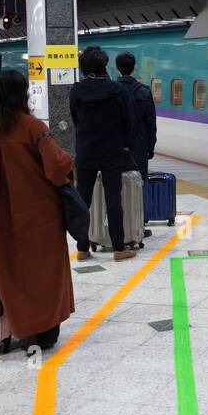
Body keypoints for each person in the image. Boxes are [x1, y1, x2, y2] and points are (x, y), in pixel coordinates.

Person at [0, 70, 76, 350]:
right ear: (22, 93)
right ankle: (47, 332)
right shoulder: (33, 127)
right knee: (45, 271)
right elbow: (56, 167)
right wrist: (69, 162)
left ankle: (22, 327)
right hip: (40, 214)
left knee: (12, 270)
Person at [69, 46, 137, 261]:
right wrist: (123, 143)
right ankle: (118, 248)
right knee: (113, 200)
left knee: (83, 200)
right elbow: (129, 122)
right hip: (112, 153)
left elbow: (75, 119)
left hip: (86, 152)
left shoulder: (77, 90)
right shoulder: (118, 91)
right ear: (104, 66)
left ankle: (82, 248)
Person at [114, 51, 157, 179]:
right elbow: (151, 124)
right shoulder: (144, 92)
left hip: (115, 146)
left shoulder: (112, 91)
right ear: (135, 67)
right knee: (139, 185)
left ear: (116, 68)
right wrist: (150, 148)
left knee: (115, 187)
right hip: (139, 146)